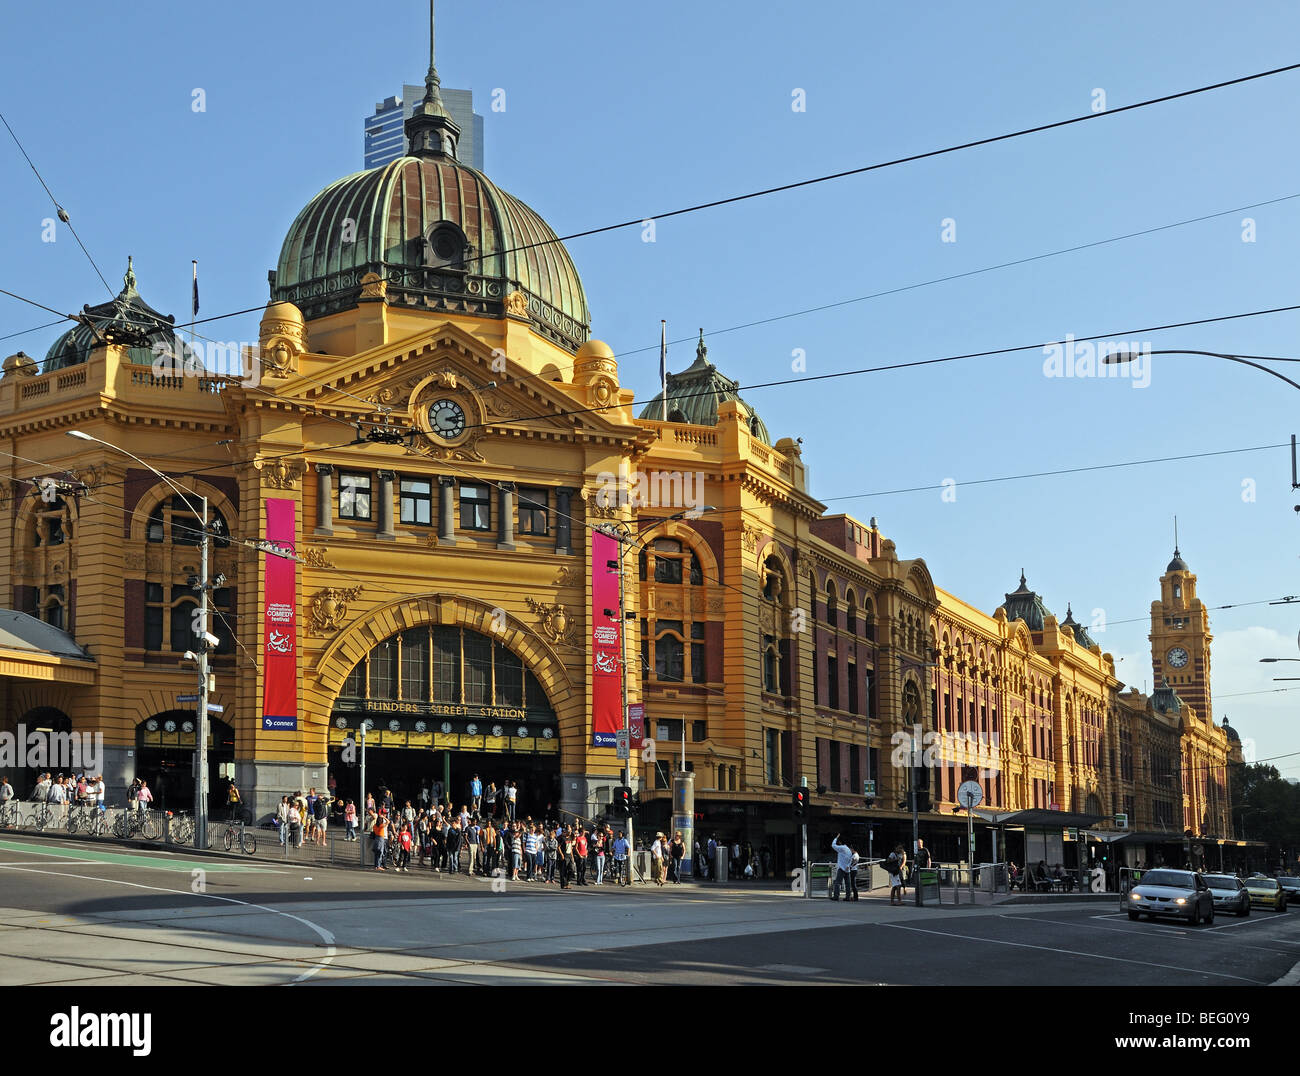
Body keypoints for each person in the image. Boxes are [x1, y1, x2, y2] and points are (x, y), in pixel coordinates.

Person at [831, 833, 854, 901]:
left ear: (840, 842)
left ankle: (836, 896)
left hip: (841, 868)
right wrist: (848, 866)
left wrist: (836, 838)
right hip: (847, 869)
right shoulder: (849, 850)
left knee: (837, 883)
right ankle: (848, 897)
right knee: (847, 884)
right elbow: (851, 859)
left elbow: (833, 845)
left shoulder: (842, 848)